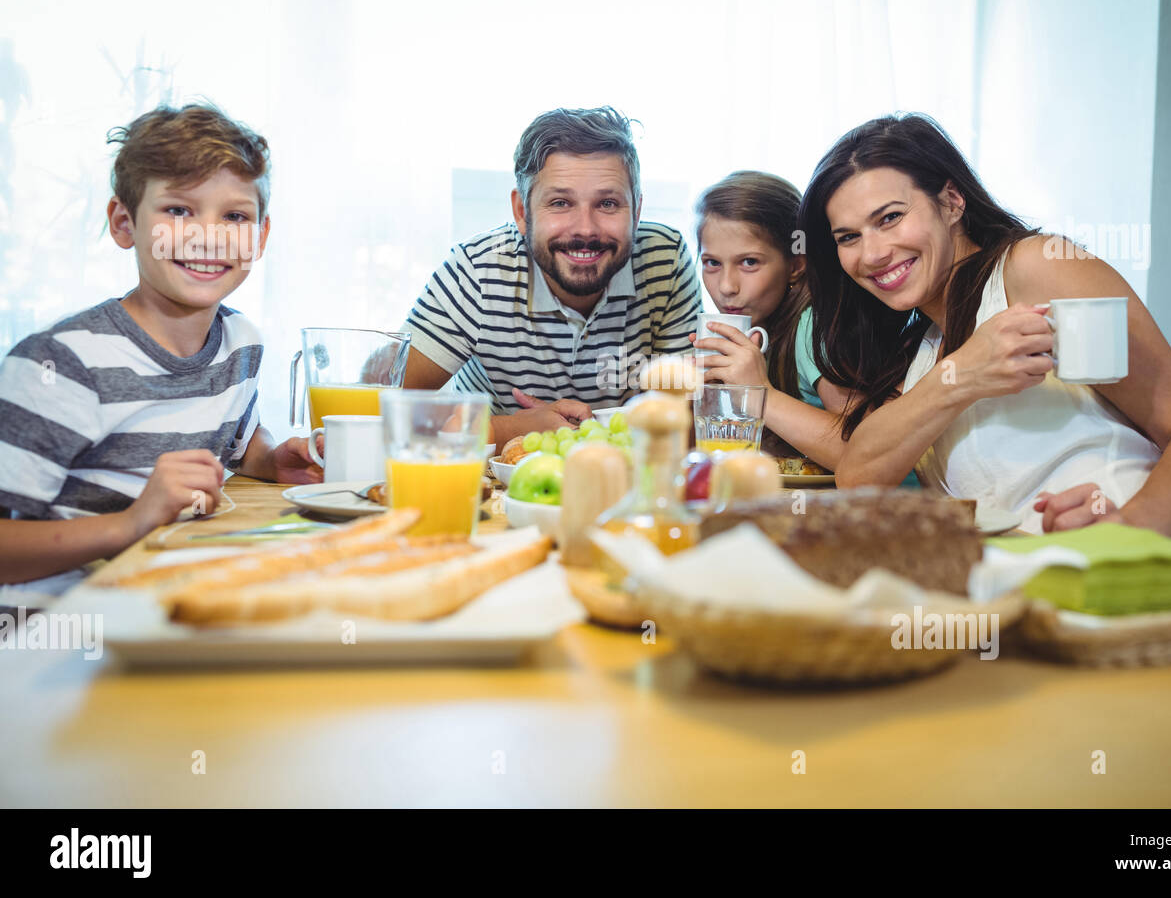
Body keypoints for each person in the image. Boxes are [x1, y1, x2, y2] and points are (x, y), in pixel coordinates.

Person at [797, 113, 1171, 547]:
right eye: (848, 237)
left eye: (890, 217)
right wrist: (961, 374)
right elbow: (858, 475)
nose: (872, 253)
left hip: (1135, 584)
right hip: (1034, 594)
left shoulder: (1034, 265)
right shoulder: (922, 349)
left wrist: (1128, 531)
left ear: (952, 201)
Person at [0, 104, 321, 597]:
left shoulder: (241, 344)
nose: (208, 236)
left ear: (259, 236)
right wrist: (131, 524)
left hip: (161, 607)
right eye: (178, 210)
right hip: (51, 636)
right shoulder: (62, 363)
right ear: (124, 223)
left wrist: (271, 460)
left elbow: (234, 440)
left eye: (234, 216)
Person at [401, 107, 703, 443]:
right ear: (522, 212)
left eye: (607, 204)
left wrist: (577, 437)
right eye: (560, 203)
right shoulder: (477, 269)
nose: (585, 229)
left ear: (636, 211)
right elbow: (377, 409)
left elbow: (685, 420)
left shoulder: (666, 260)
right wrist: (513, 429)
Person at [687, 170, 853, 471]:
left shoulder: (814, 326)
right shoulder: (757, 327)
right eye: (712, 263)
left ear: (795, 265)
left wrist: (758, 392)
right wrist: (693, 402)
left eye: (749, 262)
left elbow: (858, 450)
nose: (726, 286)